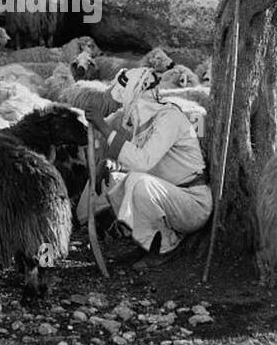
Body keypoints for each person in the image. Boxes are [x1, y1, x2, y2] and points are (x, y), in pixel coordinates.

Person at [89, 67, 212, 269]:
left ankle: (165, 247)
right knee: (118, 180)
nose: (123, 106)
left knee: (138, 183)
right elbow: (142, 159)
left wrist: (104, 128)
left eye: (125, 100)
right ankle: (147, 242)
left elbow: (143, 162)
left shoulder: (169, 118)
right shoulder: (145, 125)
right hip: (172, 197)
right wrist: (112, 164)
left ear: (135, 95)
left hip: (193, 203)